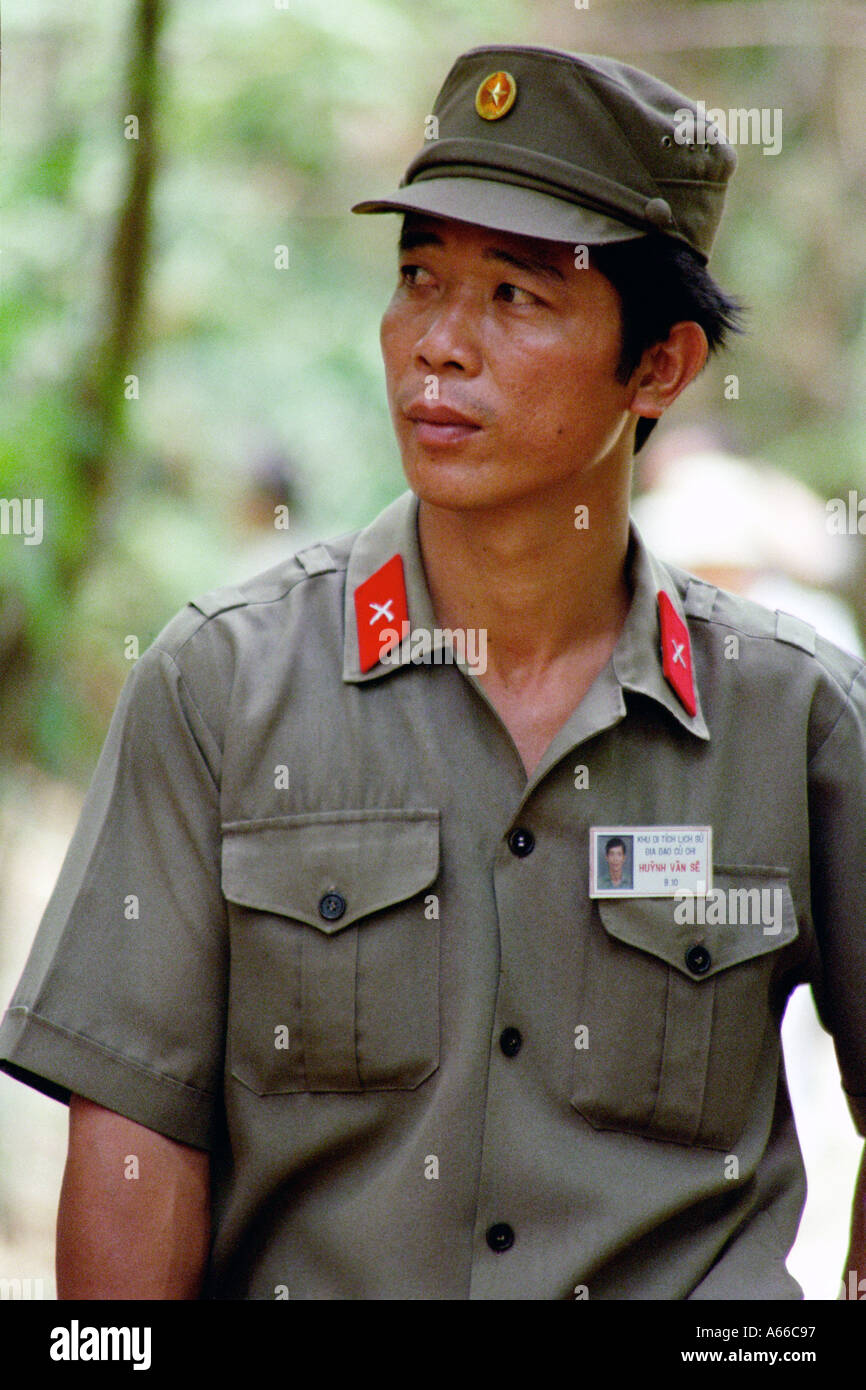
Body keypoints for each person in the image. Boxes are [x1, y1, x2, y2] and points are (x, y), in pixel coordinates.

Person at [1, 43, 865, 1301]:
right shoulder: (223, 687)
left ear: (659, 366)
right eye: (418, 279)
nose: (437, 347)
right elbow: (139, 1149)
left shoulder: (793, 723)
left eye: (515, 296)